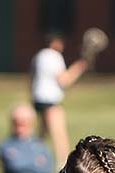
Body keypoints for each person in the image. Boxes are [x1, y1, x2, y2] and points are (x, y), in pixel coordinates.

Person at [29, 34, 90, 166]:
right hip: (50, 99)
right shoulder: (54, 56)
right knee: (59, 134)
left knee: (42, 134)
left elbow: (32, 78)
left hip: (37, 98)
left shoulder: (39, 56)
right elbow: (64, 80)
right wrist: (80, 67)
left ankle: (33, 156)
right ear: (56, 43)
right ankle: (64, 162)